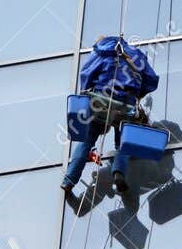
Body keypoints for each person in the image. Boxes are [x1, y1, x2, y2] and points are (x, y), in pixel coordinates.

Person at [62, 34, 160, 201]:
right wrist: (137, 94)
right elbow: (152, 80)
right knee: (124, 141)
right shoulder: (137, 55)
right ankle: (118, 173)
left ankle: (69, 180)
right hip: (126, 104)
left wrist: (86, 93)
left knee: (88, 139)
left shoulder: (102, 51)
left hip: (102, 99)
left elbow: (86, 74)